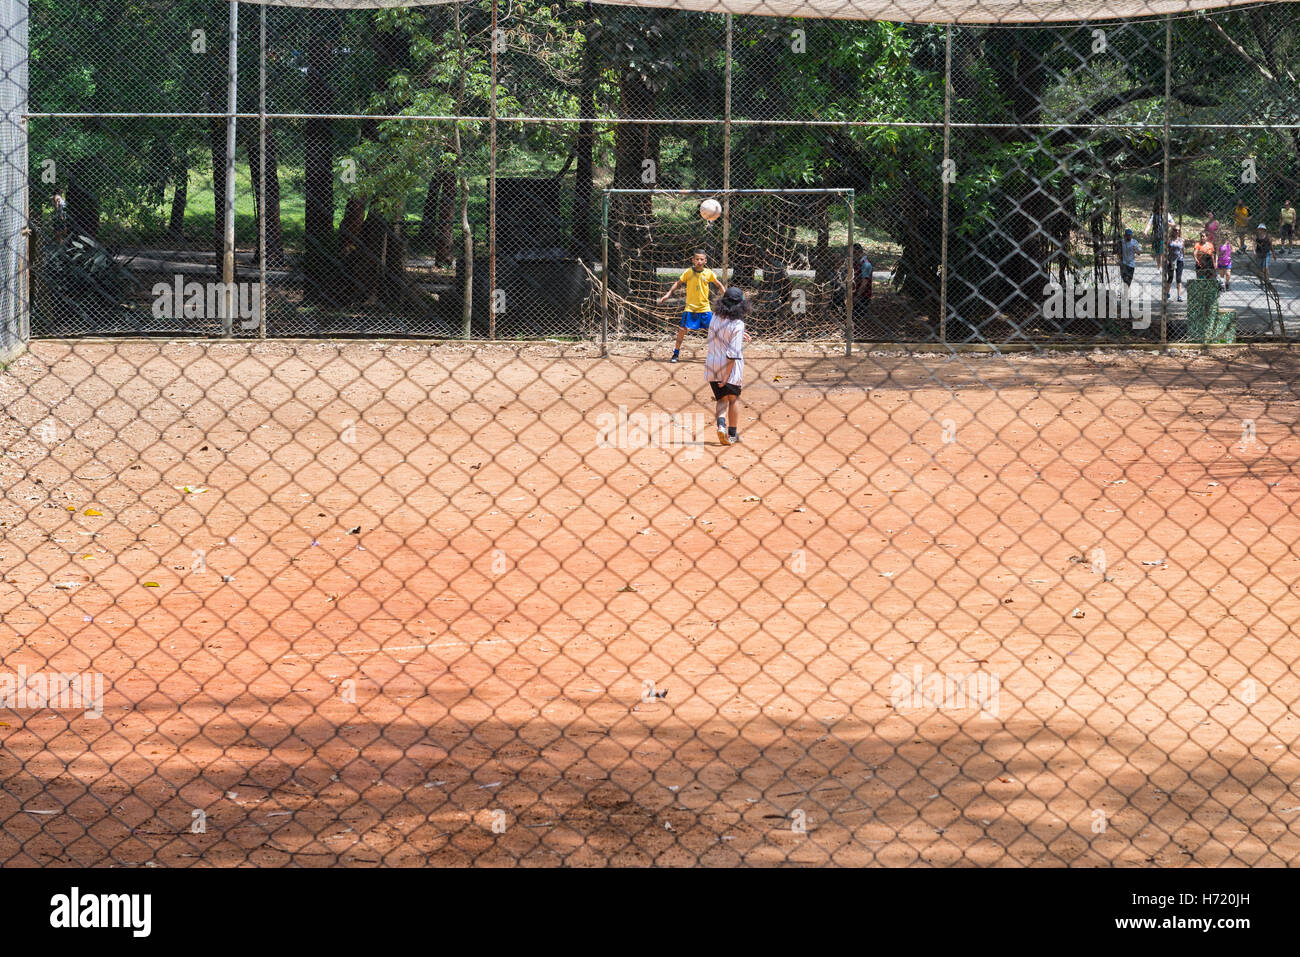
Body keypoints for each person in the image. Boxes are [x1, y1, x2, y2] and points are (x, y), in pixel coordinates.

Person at [658, 248, 726, 363]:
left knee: (713, 330)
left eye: (702, 259)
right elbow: (677, 283)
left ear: (705, 261)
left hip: (704, 308)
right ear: (693, 260)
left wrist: (727, 295)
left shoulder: (709, 273)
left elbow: (719, 285)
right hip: (690, 308)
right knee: (682, 329)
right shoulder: (688, 272)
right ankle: (676, 353)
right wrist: (668, 294)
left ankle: (718, 354)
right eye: (697, 259)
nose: (699, 261)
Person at [706, 286, 750, 446]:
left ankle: (721, 425)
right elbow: (732, 353)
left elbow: (719, 333)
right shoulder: (737, 324)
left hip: (712, 364)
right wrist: (726, 376)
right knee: (732, 399)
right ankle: (732, 434)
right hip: (728, 367)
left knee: (721, 399)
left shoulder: (715, 317)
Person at [851, 242, 873, 324]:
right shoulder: (857, 263)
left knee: (856, 318)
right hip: (856, 293)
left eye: (853, 253)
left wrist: (857, 296)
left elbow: (864, 283)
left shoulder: (866, 264)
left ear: (858, 252)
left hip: (863, 296)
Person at [1164, 226, 1185, 301]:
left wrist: (1183, 259)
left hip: (1179, 260)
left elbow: (1183, 250)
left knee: (1178, 278)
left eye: (1178, 230)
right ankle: (1167, 294)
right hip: (1171, 260)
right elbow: (1166, 250)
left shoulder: (1182, 240)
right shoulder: (1169, 240)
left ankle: (1179, 296)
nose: (1177, 232)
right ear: (1173, 231)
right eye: (1175, 230)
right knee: (1170, 277)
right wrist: (1166, 259)